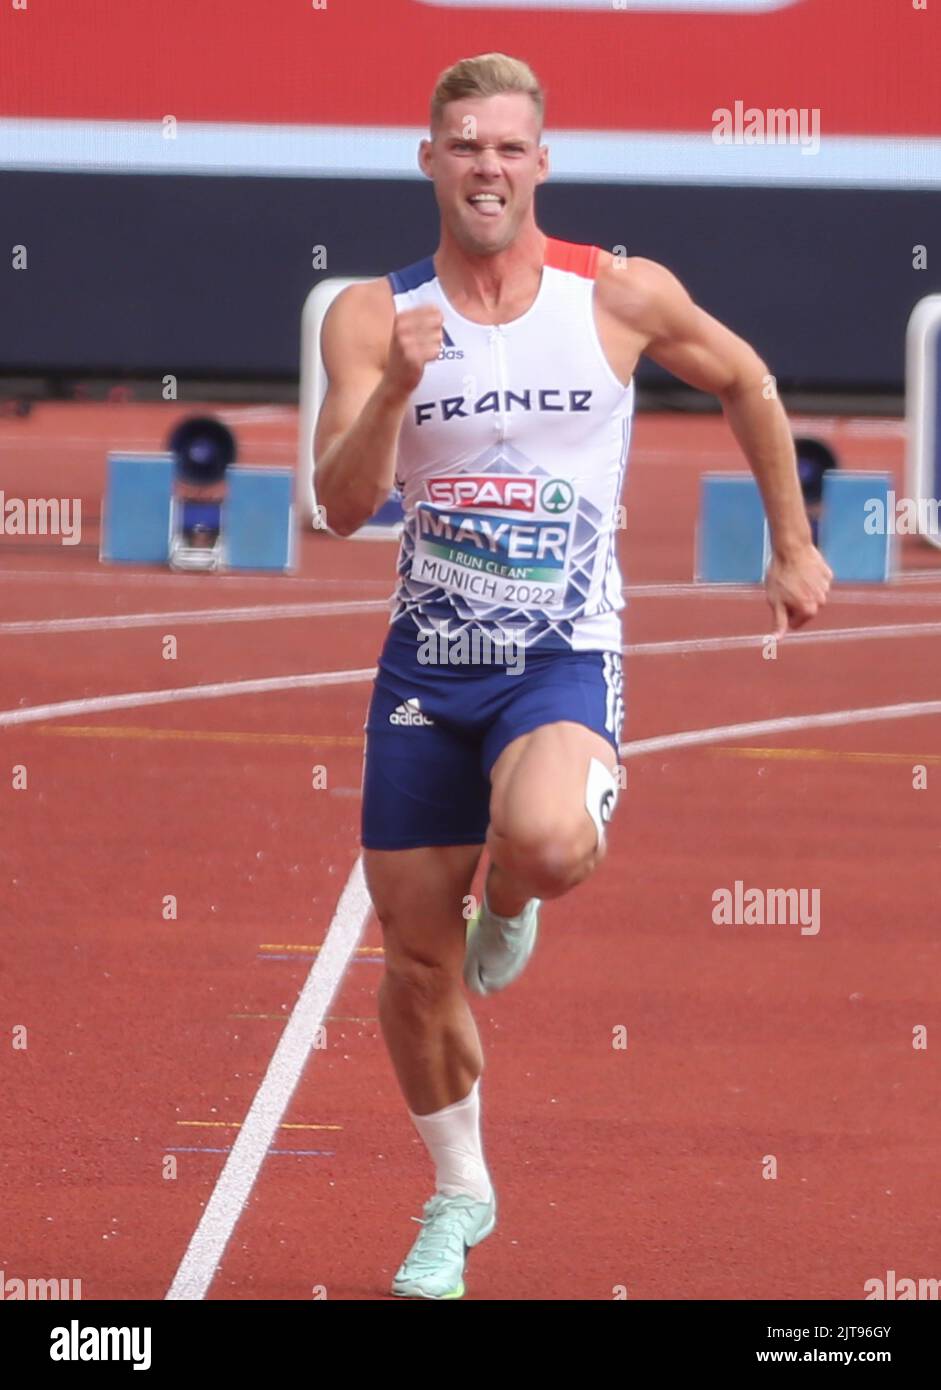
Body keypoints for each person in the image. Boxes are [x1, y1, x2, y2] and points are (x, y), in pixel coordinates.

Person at [313, 52, 832, 1300]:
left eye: (506, 146)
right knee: (413, 966)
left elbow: (747, 380)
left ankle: (517, 901)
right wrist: (393, 381)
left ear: (540, 162)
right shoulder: (367, 315)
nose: (484, 165)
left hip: (559, 653)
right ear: (426, 158)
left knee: (541, 838)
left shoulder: (619, 294)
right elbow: (339, 507)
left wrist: (792, 540)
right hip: (429, 667)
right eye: (462, 143)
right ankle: (458, 1196)